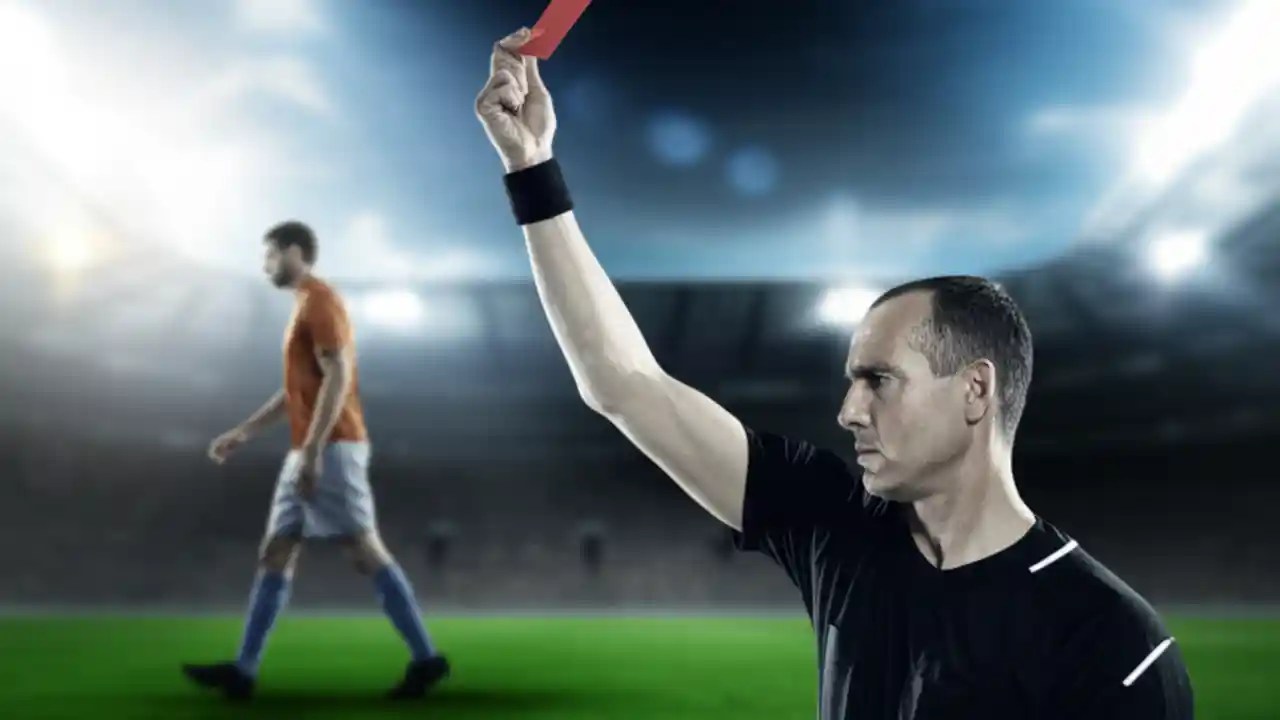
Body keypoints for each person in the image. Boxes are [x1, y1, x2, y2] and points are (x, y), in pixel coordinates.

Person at [475, 28, 1194, 719]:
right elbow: (622, 382)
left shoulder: (1115, 645)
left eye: (879, 379)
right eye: (852, 381)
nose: (848, 410)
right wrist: (531, 166)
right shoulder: (839, 531)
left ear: (975, 390)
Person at [181, 221, 449, 700]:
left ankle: (427, 658)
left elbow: (338, 375)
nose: (264, 266)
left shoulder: (321, 300)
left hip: (333, 445)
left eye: (269, 256)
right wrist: (244, 431)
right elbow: (296, 392)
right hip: (309, 445)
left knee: (365, 551)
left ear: (294, 251)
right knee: (276, 550)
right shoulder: (302, 306)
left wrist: (313, 450)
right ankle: (243, 671)